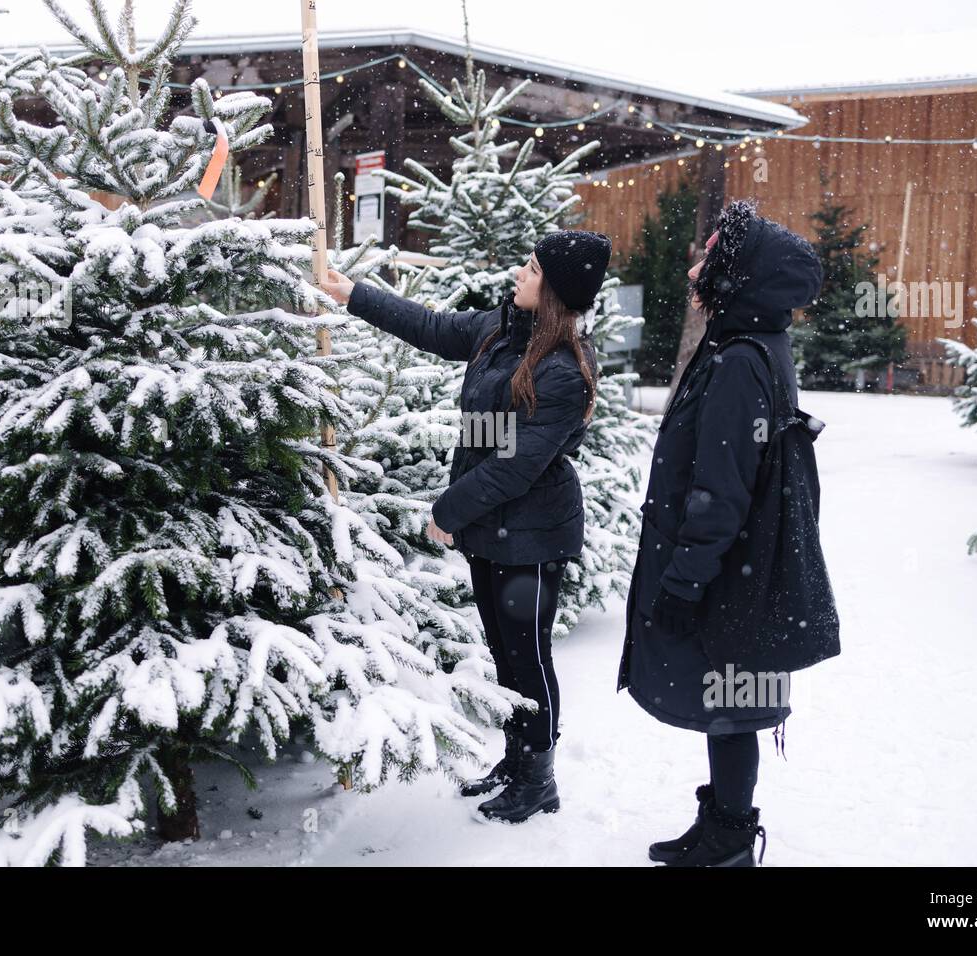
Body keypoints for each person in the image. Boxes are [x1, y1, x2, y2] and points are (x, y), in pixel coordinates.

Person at [319, 230, 607, 823]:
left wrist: (448, 512)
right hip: (492, 524)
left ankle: (539, 778)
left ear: (552, 291)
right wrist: (353, 295)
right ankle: (516, 758)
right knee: (505, 651)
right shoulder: (501, 329)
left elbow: (516, 466)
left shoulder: (563, 370)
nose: (519, 274)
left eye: (531, 269)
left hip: (530, 531)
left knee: (527, 657)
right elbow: (432, 327)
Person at [618, 200, 827, 866]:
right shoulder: (749, 339)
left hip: (729, 569)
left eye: (709, 252)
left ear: (738, 272)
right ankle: (722, 826)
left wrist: (684, 581)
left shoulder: (742, 358)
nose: (696, 259)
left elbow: (721, 489)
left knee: (734, 701)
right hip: (740, 565)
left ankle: (731, 840)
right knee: (731, 699)